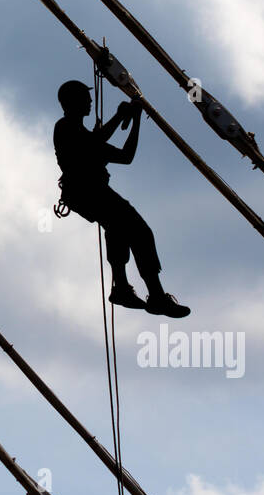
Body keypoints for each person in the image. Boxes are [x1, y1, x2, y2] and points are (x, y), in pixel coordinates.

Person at [53, 79, 189, 317]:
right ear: (74, 102)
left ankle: (123, 288)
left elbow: (118, 153)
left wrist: (129, 118)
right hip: (88, 192)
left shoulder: (79, 133)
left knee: (117, 230)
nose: (90, 102)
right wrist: (127, 118)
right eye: (86, 98)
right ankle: (154, 295)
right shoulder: (65, 128)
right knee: (139, 231)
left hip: (87, 194)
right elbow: (98, 145)